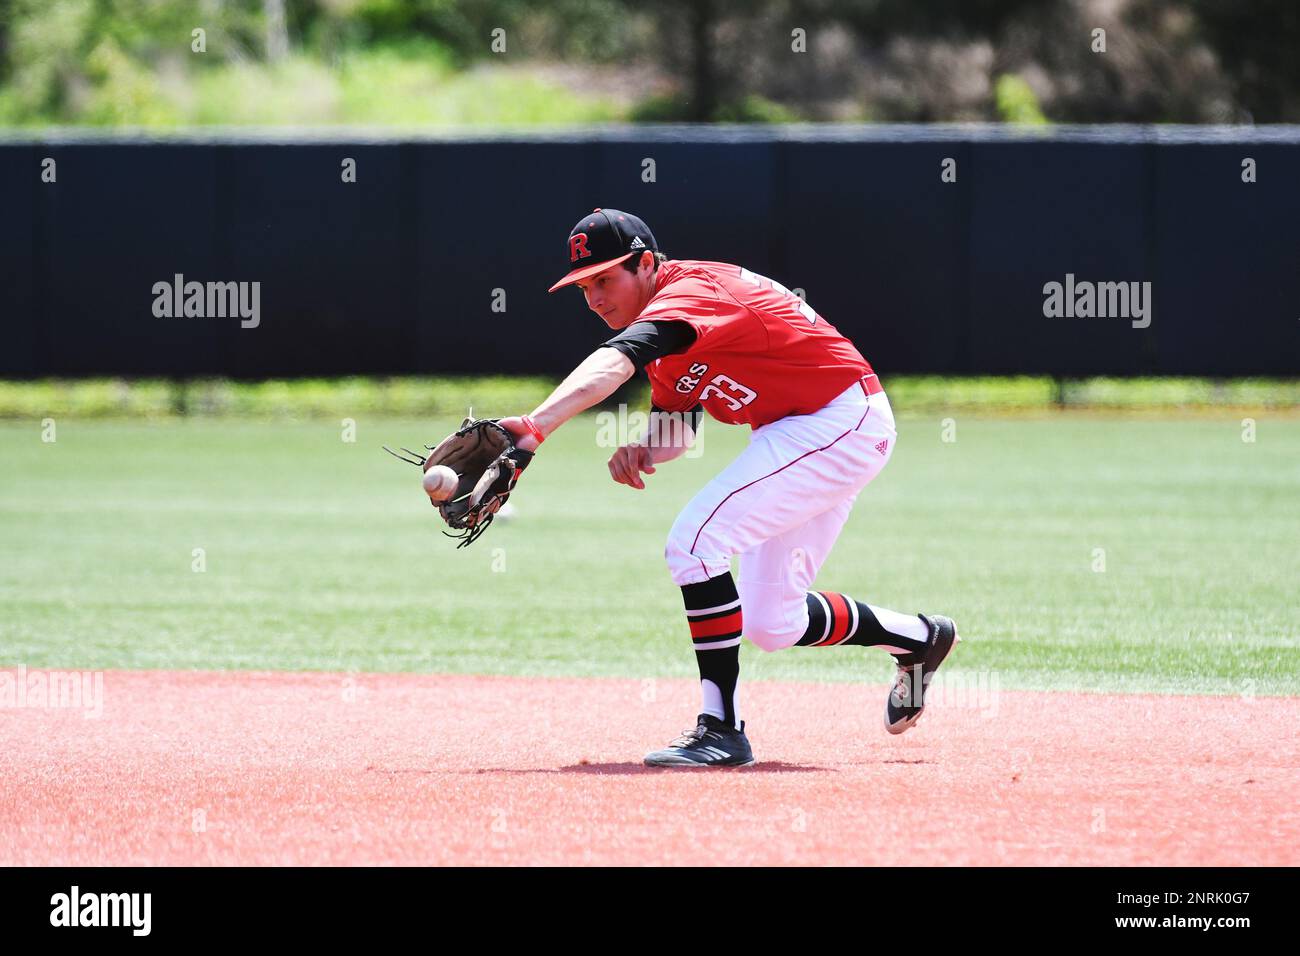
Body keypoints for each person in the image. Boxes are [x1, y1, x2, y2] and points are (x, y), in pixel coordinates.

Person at [499, 208, 959, 768]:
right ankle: (917, 638)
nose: (594, 297)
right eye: (583, 286)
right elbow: (675, 429)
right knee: (773, 623)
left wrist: (534, 426)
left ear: (646, 263)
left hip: (836, 418)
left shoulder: (693, 292)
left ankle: (721, 728)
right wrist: (644, 448)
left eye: (605, 279)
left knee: (694, 545)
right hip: (814, 429)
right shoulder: (669, 332)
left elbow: (616, 362)